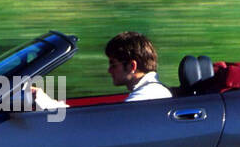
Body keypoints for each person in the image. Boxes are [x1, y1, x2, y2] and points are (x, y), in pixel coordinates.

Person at [31, 31, 172, 110]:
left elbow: (104, 123)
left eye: (113, 64)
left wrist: (43, 100)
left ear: (132, 66)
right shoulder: (150, 91)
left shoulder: (149, 96)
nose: (109, 70)